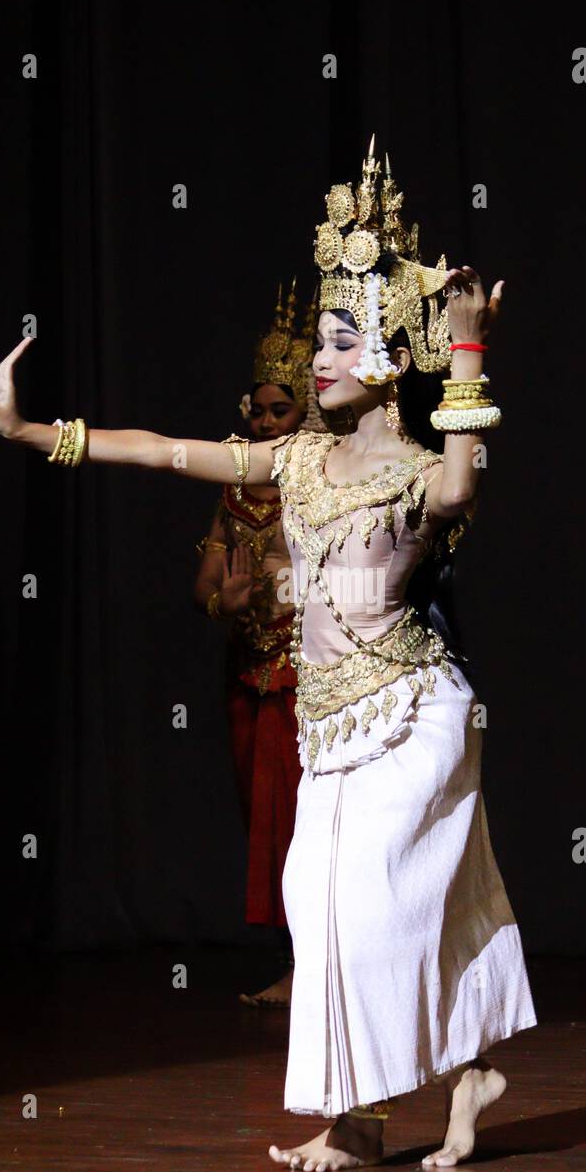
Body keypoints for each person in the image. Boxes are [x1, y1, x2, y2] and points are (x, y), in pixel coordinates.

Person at [0, 137, 536, 1172]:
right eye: (317, 341)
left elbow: (461, 488)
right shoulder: (296, 458)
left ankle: (409, 1090)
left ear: (389, 358)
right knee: (315, 907)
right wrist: (31, 434)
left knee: (368, 899)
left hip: (408, 712)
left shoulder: (416, 470)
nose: (315, 360)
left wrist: (466, 349)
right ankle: (389, 1106)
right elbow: (163, 449)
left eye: (336, 341)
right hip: (328, 719)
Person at [193, 283, 329, 1007]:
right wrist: (228, 599)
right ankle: (294, 963)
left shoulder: (323, 482)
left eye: (281, 409)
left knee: (310, 827)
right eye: (258, 408)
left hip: (309, 683)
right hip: (247, 675)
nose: (266, 420)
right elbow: (206, 582)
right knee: (265, 824)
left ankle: (320, 970)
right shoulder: (234, 488)